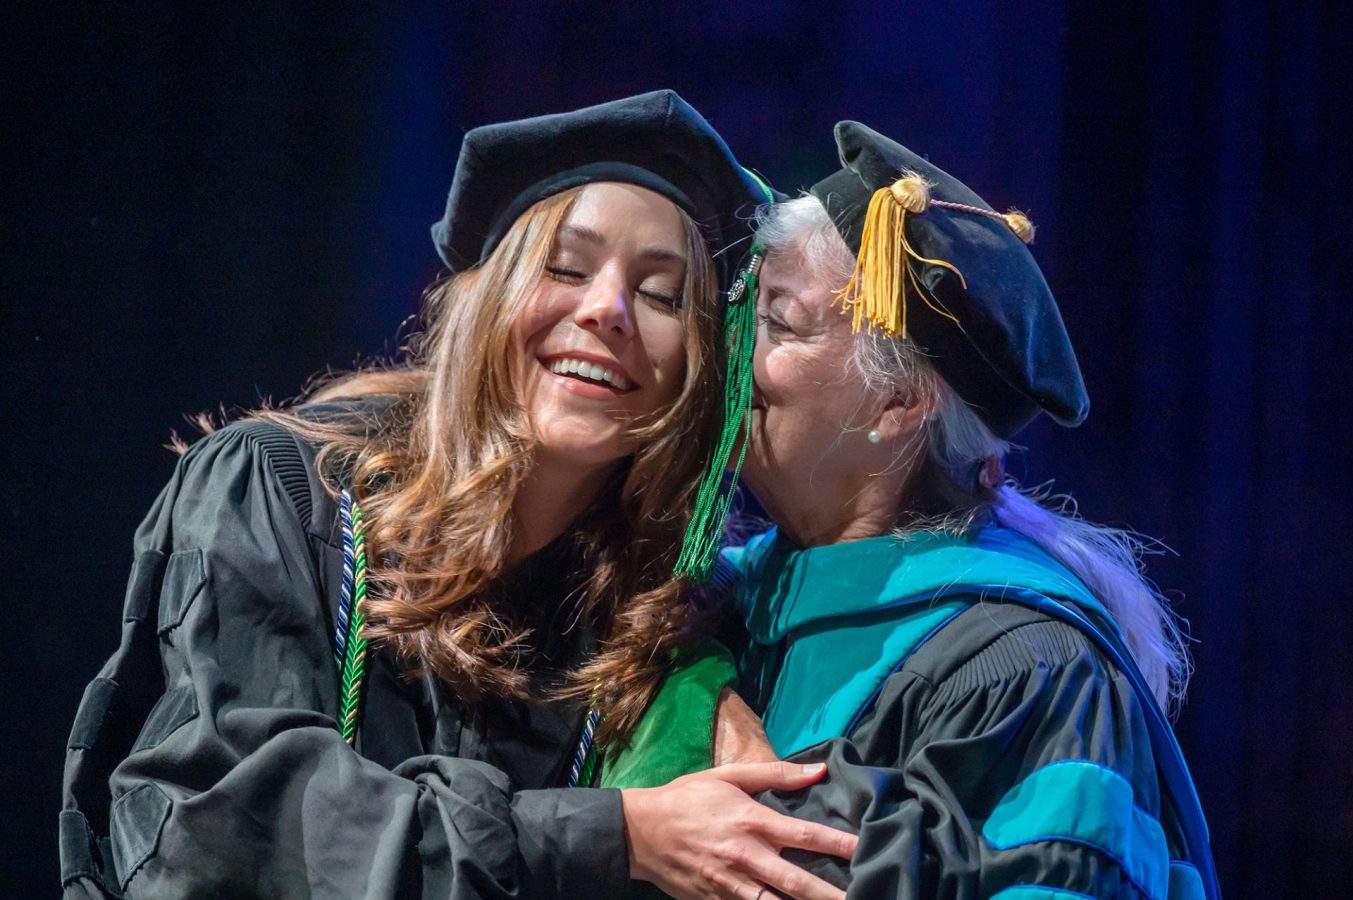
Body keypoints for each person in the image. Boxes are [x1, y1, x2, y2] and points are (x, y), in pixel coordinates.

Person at [59, 91, 856, 900]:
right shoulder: (283, 490)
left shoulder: (654, 613)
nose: (607, 309)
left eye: (659, 295)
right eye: (567, 267)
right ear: (486, 298)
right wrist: (618, 836)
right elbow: (240, 821)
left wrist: (703, 692)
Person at [717, 121, 1219, 898]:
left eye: (779, 322)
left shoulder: (1029, 673)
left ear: (896, 401)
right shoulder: (721, 606)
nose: (731, 349)